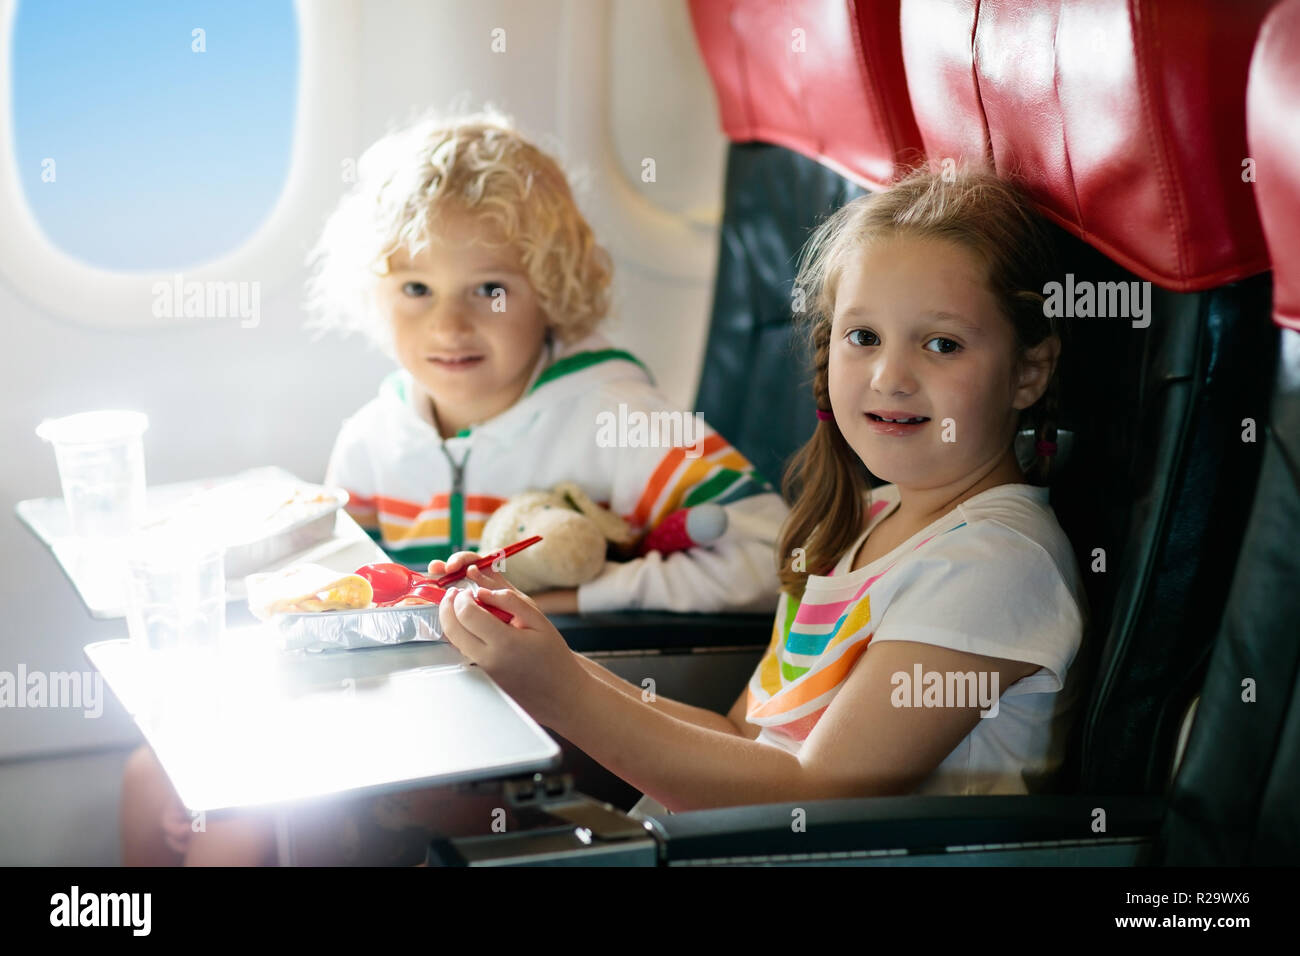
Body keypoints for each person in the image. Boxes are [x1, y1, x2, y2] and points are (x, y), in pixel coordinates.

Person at [119, 108, 787, 866]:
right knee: (154, 777)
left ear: (553, 290)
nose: (449, 325)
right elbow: (346, 593)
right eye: (415, 288)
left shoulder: (612, 415)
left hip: (546, 718)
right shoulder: (376, 434)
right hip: (406, 698)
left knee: (242, 816)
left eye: (490, 290)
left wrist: (574, 598)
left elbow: (771, 551)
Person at [432, 166, 1089, 822]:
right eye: (863, 337)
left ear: (1029, 371)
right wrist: (538, 655)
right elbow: (744, 742)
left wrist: (562, 692)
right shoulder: (858, 523)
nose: (890, 377)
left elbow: (816, 797)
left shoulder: (993, 564)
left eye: (942, 344)